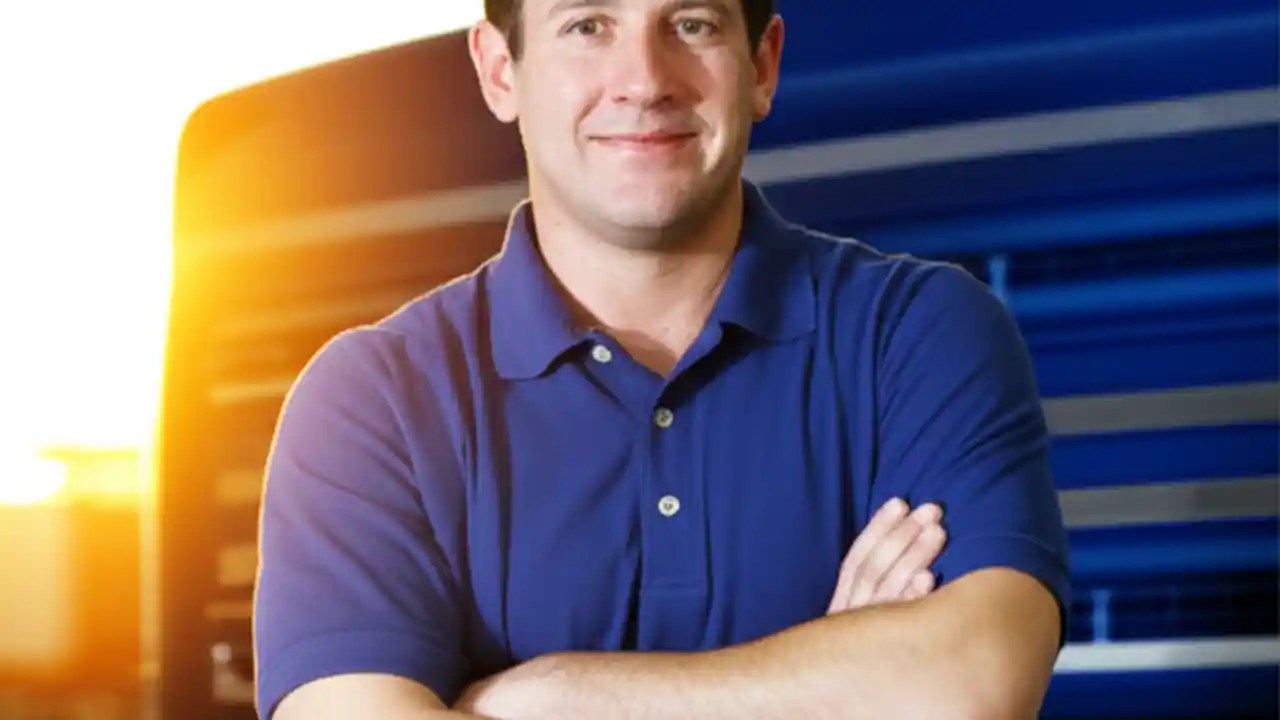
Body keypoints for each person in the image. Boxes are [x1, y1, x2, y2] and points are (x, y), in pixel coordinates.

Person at [253, 1, 1071, 718]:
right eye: (587, 26)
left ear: (762, 64)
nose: (644, 80)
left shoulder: (919, 334)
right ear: (501, 71)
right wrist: (835, 684)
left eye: (691, 24)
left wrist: (552, 700)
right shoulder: (370, 403)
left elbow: (973, 685)